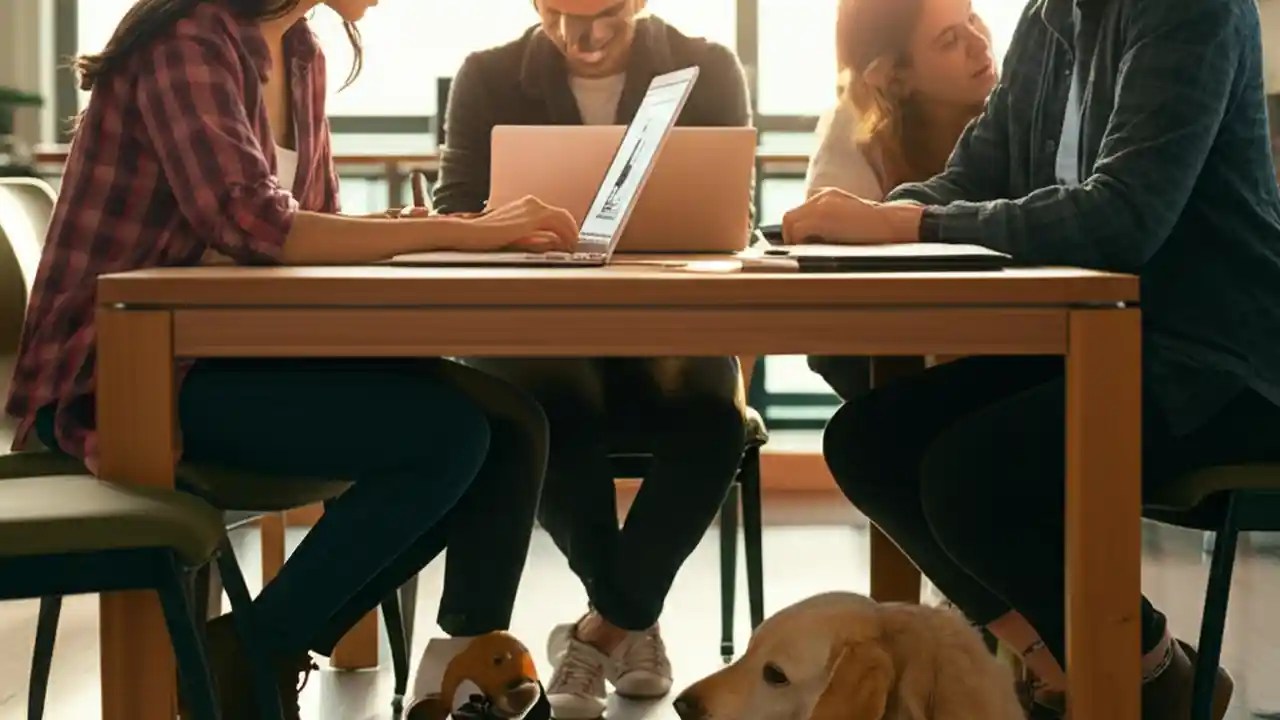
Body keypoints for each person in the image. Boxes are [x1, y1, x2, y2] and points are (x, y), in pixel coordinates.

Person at [3, 1, 579, 718]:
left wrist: (453, 233)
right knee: (447, 436)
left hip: (233, 353)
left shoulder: (301, 53)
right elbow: (256, 225)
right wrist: (465, 232)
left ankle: (367, 657)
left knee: (514, 423)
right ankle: (255, 651)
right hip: (123, 378)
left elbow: (312, 232)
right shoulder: (190, 43)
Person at [784, 0, 1280, 716]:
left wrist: (903, 220)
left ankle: (1122, 680)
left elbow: (1121, 217)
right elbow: (969, 182)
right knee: (869, 442)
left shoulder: (1189, 11)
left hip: (1219, 362)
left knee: (969, 476)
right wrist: (855, 228)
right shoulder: (1050, 18)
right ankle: (1113, 671)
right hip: (1108, 344)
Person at [432, 1, 752, 717]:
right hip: (534, 333)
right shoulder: (487, 78)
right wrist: (512, 230)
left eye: (604, 11)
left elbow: (733, 217)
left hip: (662, 323)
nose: (585, 34)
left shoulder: (708, 70)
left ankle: (599, 630)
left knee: (714, 416)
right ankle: (630, 621)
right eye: (560, 12)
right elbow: (454, 207)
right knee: (549, 406)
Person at [804, 0, 998, 402]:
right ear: (894, 77)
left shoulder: (1021, 110)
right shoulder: (857, 130)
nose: (979, 43)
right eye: (950, 40)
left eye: (972, 16)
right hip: (899, 336)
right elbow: (829, 267)